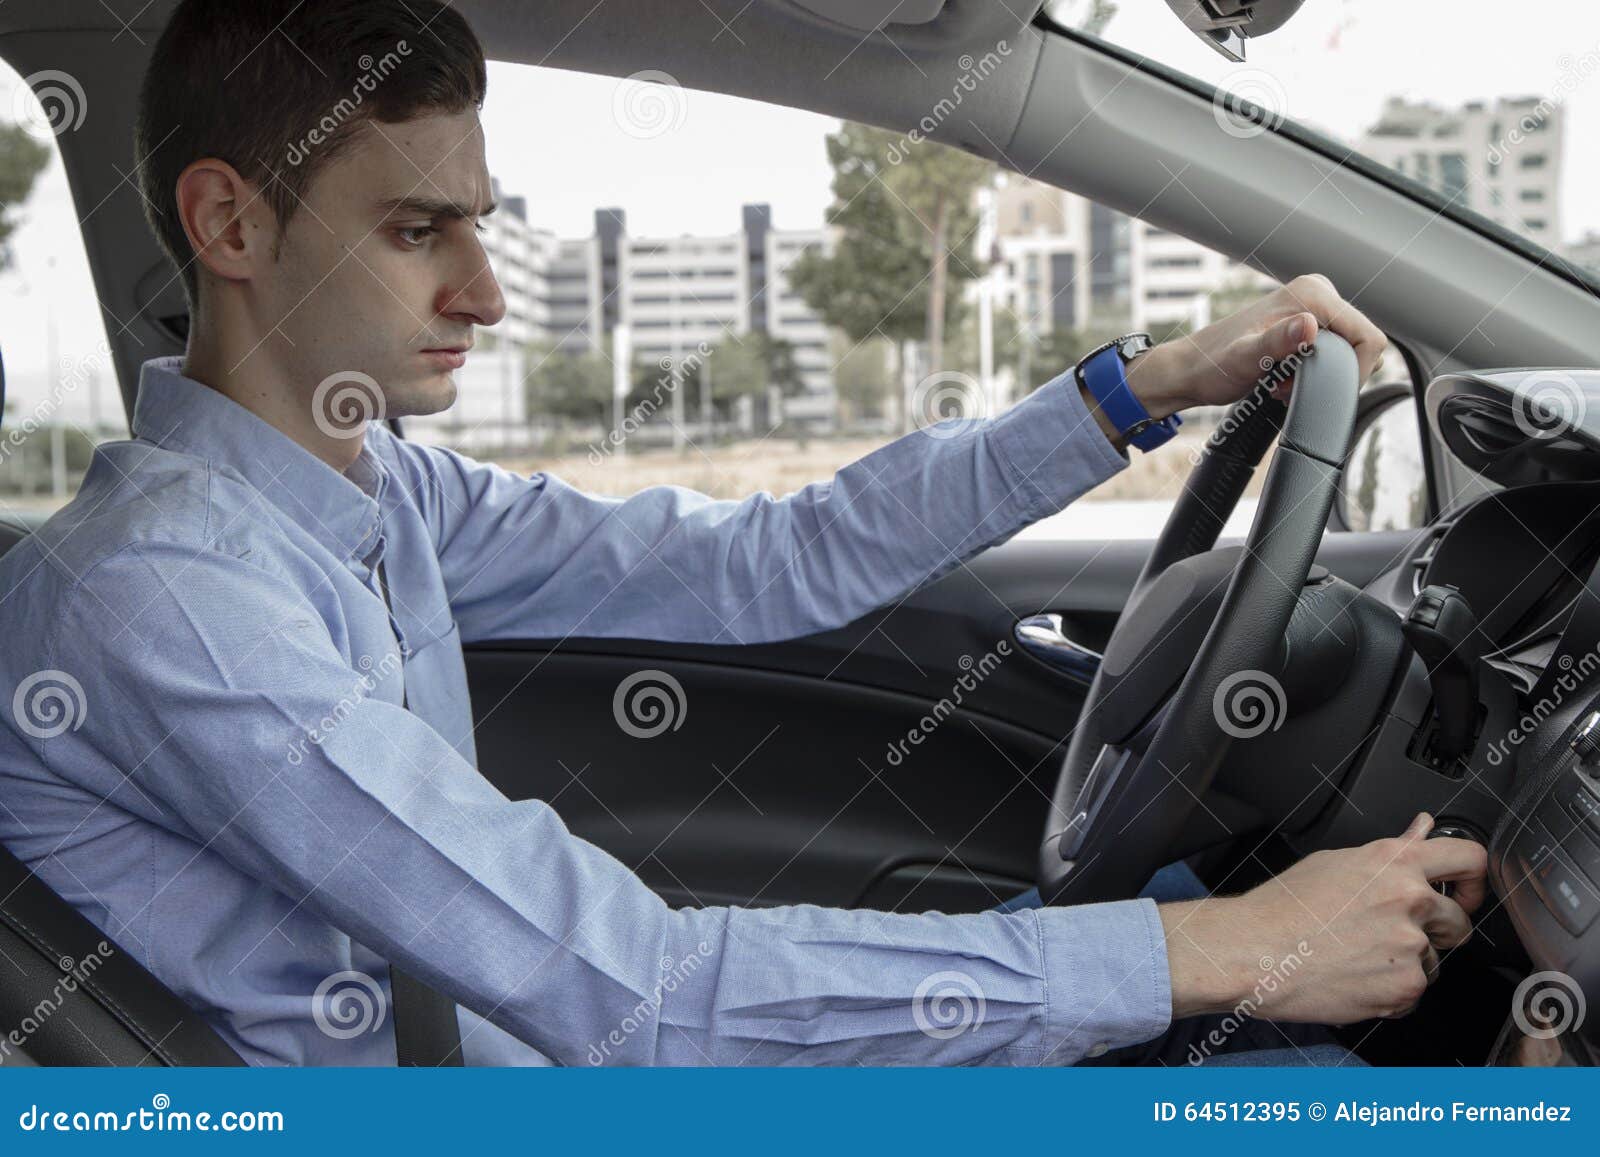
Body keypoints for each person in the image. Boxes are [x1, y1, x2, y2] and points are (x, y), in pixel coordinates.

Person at [0, 0, 1484, 1066]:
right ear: (232, 225)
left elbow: (763, 563)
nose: (487, 293)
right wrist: (1223, 952)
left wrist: (1136, 392)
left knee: (1209, 993)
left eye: (478, 224)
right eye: (414, 232)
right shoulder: (166, 599)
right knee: (1282, 1059)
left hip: (507, 1061)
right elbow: (633, 990)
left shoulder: (377, 489)